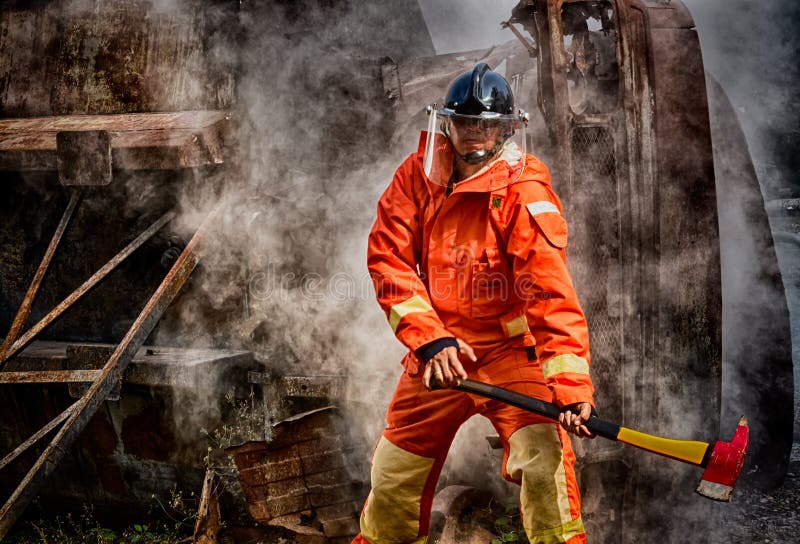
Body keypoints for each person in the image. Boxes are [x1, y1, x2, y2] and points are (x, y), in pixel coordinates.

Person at [353, 63, 595, 544]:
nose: (472, 134)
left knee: (544, 462)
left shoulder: (523, 191)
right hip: (440, 355)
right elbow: (388, 260)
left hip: (509, 354)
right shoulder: (416, 177)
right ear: (446, 123)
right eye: (463, 123)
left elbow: (549, 293)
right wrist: (431, 341)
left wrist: (570, 387)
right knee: (394, 475)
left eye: (484, 125)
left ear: (506, 129)